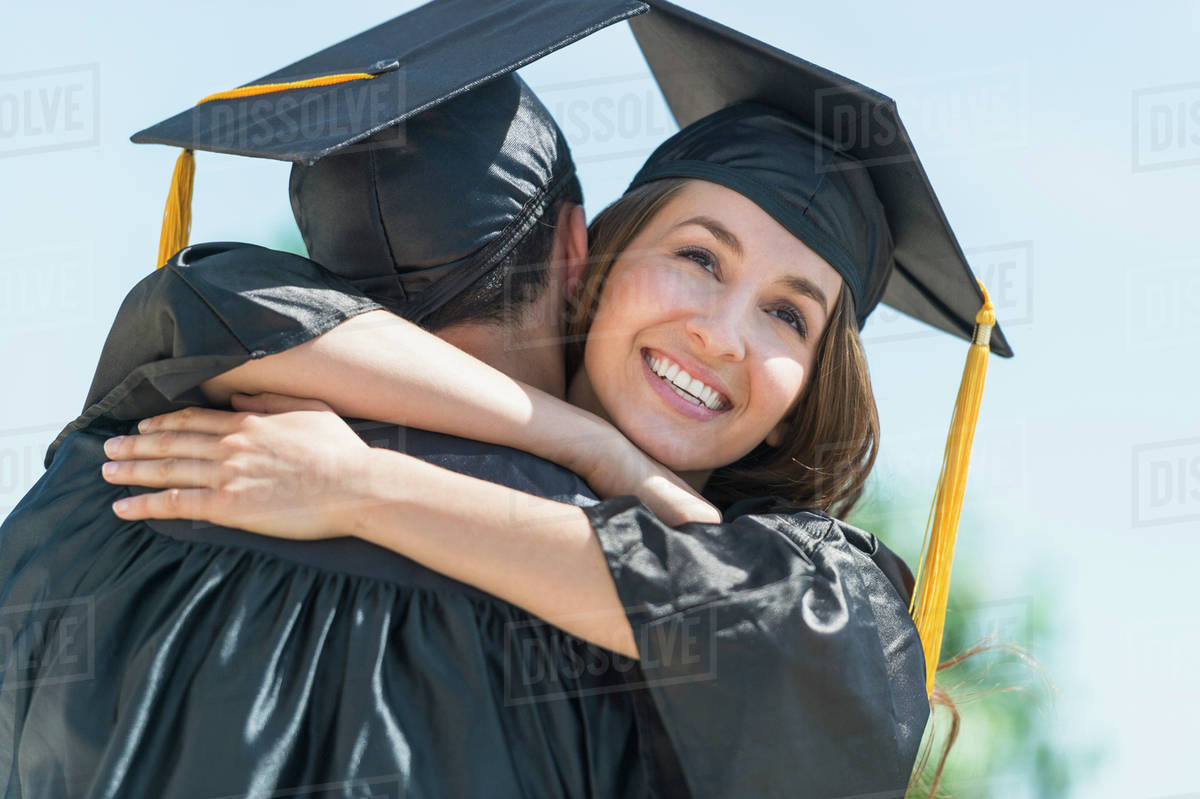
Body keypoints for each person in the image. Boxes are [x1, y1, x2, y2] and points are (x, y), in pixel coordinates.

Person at [98, 5, 1012, 798]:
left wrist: (360, 489)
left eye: (788, 314)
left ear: (813, 383)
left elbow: (745, 625)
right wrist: (582, 442)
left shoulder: (821, 582)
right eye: (699, 256)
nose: (725, 334)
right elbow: (212, 309)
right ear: (597, 261)